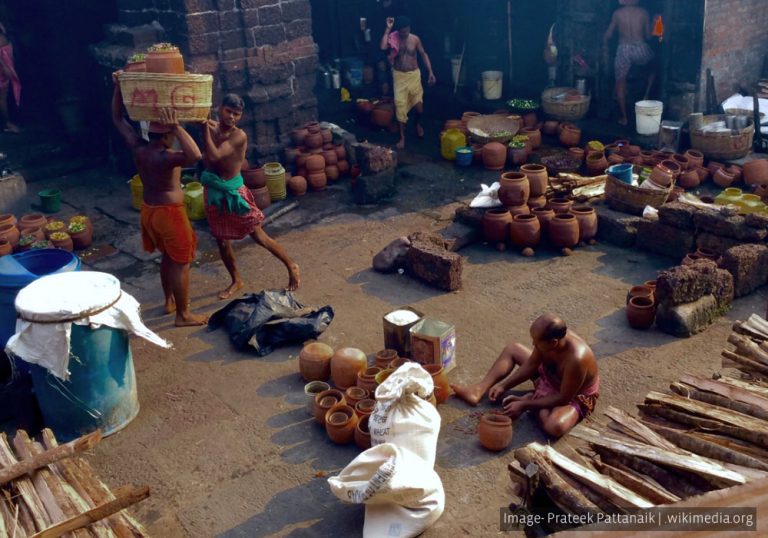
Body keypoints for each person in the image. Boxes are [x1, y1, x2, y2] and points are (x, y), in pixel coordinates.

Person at [111, 73, 208, 327]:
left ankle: (168, 301)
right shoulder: (167, 156)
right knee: (182, 262)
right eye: (173, 134)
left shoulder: (138, 148)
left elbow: (117, 117)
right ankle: (183, 315)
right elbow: (196, 155)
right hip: (169, 213)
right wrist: (177, 125)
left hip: (149, 211)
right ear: (166, 136)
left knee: (167, 257)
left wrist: (119, 88)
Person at [200, 94, 300, 300]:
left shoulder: (239, 136)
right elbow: (202, 123)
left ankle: (291, 265)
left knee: (258, 235)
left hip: (234, 193)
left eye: (237, 114)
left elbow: (215, 156)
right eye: (228, 111)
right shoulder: (213, 127)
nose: (232, 117)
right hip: (214, 192)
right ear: (220, 109)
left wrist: (202, 128)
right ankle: (236, 280)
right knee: (221, 241)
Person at [452, 314, 599, 438]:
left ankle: (534, 400)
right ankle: (478, 390)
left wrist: (525, 404)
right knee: (513, 349)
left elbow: (563, 398)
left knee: (555, 427)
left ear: (553, 342)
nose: (533, 344)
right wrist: (504, 385)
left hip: (571, 395)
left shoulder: (577, 359)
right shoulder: (549, 340)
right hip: (550, 376)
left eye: (536, 342)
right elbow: (532, 364)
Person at [380, 15, 436, 149]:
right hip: (399, 76)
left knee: (419, 108)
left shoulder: (415, 39)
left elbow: (423, 54)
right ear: (398, 31)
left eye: (406, 31)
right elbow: (382, 47)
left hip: (413, 76)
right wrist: (388, 29)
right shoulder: (393, 38)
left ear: (409, 28)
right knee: (400, 106)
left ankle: (417, 124)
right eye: (402, 32)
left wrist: (430, 72)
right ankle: (402, 137)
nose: (404, 33)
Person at [602, 0, 656, 126]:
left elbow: (608, 34)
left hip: (623, 49)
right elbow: (648, 36)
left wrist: (604, 46)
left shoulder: (617, 14)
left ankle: (624, 118)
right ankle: (646, 94)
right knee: (654, 66)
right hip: (640, 48)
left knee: (620, 82)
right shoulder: (643, 13)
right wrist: (654, 22)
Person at [0, 21, 21, 133]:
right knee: (2, 99)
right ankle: (7, 123)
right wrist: (4, 67)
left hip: (6, 67)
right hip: (3, 70)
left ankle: (7, 123)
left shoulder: (3, 30)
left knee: (4, 98)